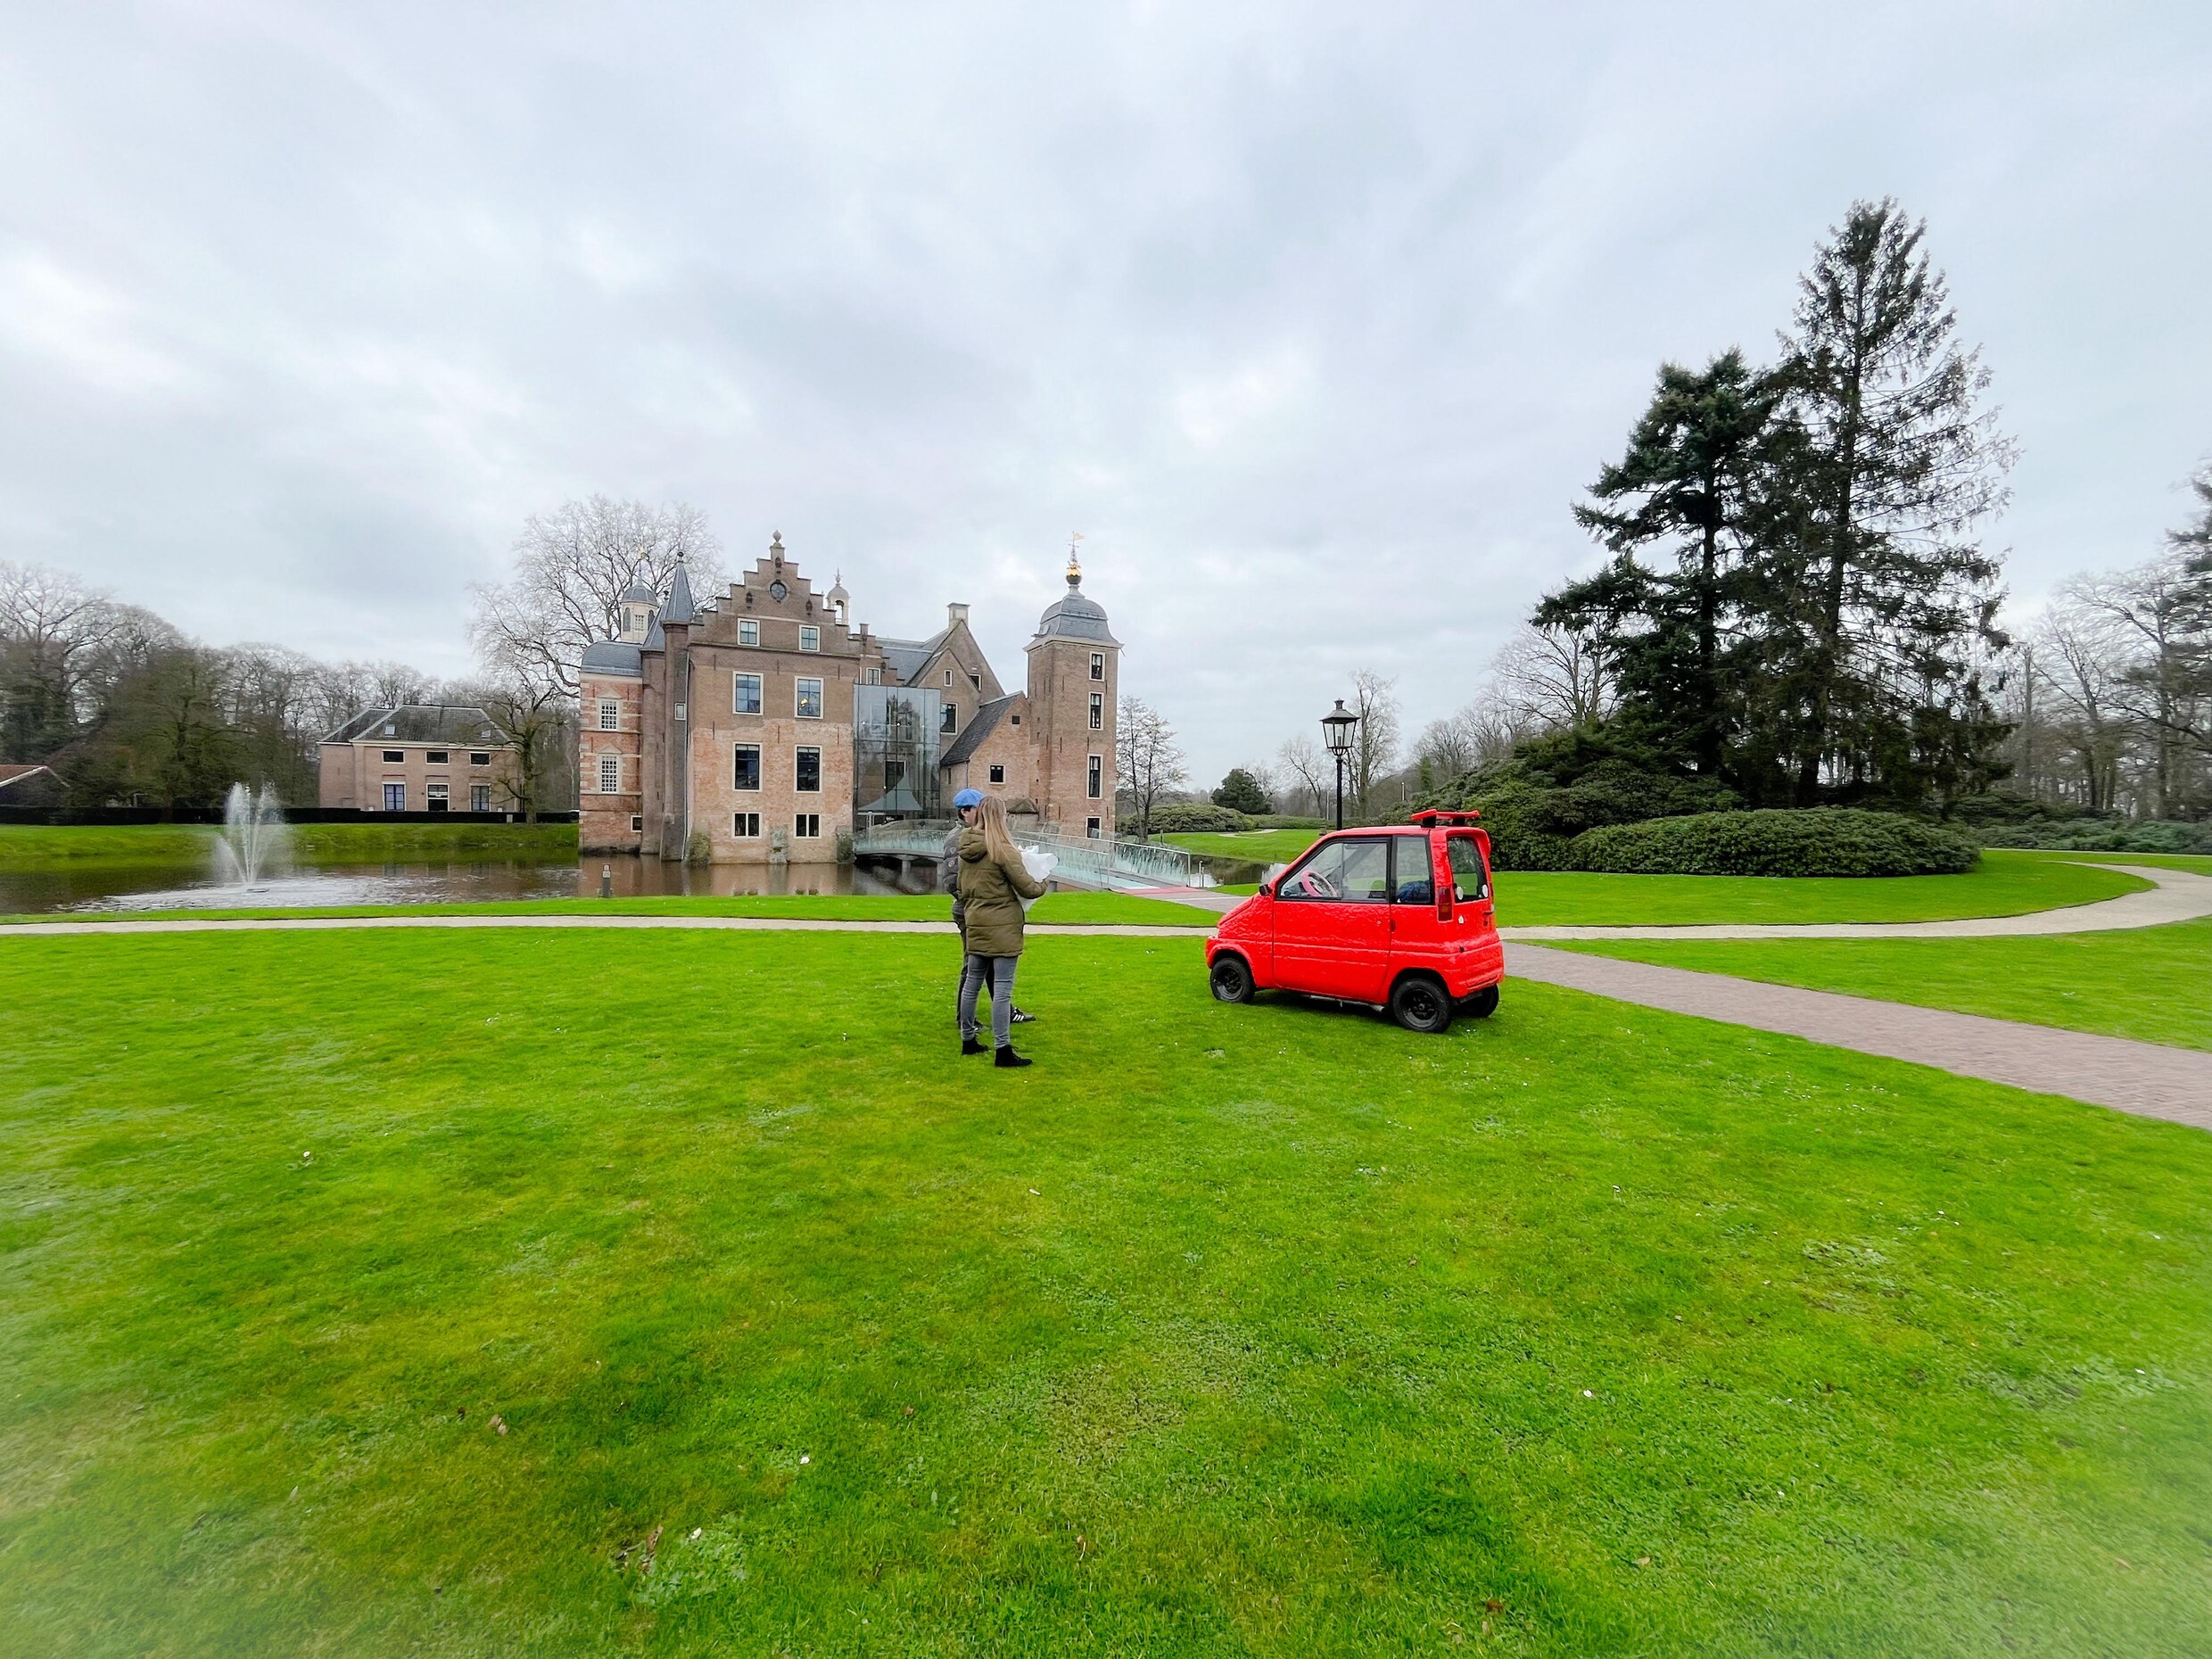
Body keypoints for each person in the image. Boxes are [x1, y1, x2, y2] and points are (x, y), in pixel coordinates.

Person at [956, 794, 1046, 1067]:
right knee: (1003, 989)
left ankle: (968, 1039)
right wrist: (1043, 882)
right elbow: (1028, 887)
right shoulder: (1003, 850)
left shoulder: (965, 848)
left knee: (972, 983)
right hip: (1003, 925)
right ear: (1001, 816)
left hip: (975, 921)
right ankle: (1002, 1049)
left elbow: (961, 888)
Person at [943, 788, 1034, 1028]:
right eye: (977, 809)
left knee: (987, 966)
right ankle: (966, 1021)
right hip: (971, 910)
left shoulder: (975, 837)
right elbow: (954, 881)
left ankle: (995, 1015)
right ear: (965, 812)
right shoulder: (961, 838)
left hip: (977, 909)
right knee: (973, 967)